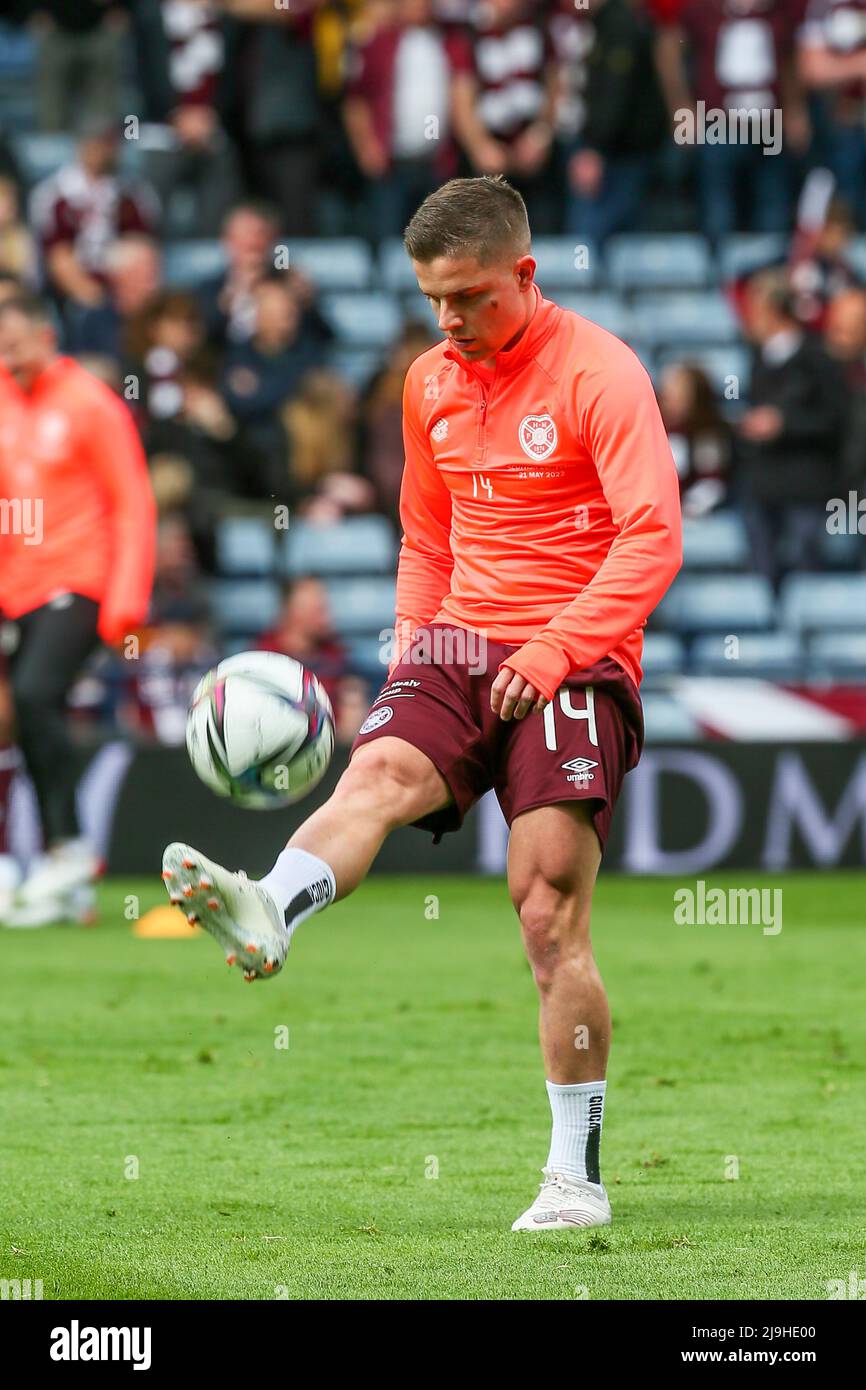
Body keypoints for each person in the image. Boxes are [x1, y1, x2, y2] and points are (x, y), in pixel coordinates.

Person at [161, 175, 682, 1233]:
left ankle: (574, 1178)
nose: (447, 320)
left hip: (574, 657)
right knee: (377, 772)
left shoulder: (600, 375)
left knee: (545, 911)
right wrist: (413, 643)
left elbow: (651, 538)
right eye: (432, 300)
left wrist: (554, 646)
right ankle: (271, 906)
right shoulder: (427, 381)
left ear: (522, 276)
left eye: (469, 297)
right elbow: (427, 534)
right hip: (458, 638)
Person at [0, 292, 156, 927]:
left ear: (45, 334)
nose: (6, 353)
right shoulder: (4, 402)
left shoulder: (91, 403)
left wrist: (126, 601)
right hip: (16, 587)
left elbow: (133, 502)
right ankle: (58, 869)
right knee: (21, 715)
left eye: (13, 340)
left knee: (37, 694)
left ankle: (66, 850)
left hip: (80, 581)